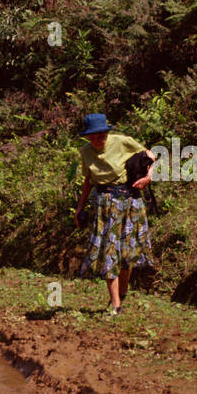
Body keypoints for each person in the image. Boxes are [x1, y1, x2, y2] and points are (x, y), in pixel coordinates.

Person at [73, 113, 156, 315]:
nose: (97, 141)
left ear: (106, 133)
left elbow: (152, 157)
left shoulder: (122, 141)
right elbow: (88, 181)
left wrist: (148, 178)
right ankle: (116, 305)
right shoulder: (85, 152)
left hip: (130, 201)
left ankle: (123, 293)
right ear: (87, 138)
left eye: (100, 136)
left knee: (128, 253)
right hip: (104, 204)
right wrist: (79, 208)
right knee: (109, 252)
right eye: (92, 137)